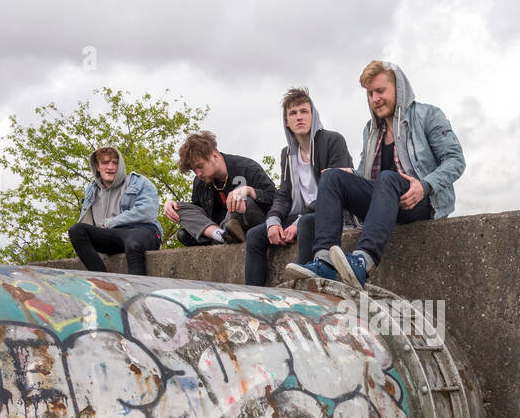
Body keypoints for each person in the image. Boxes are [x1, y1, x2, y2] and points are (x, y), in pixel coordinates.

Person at [288, 61, 464, 289]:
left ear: (398, 89)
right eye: (370, 94)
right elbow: (366, 177)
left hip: (421, 199)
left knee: (388, 177)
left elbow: (455, 160)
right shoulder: (371, 130)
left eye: (380, 91)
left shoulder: (427, 115)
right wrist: (350, 176)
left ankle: (364, 260)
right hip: (385, 202)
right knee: (332, 176)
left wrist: (425, 186)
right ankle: (324, 262)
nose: (375, 99)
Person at [245, 88, 353, 286]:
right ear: (287, 121)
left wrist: (297, 223)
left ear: (313, 115)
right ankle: (255, 294)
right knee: (254, 235)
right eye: (293, 113)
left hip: (333, 214)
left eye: (304, 111)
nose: (299, 117)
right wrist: (274, 221)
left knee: (305, 224)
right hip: (301, 215)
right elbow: (284, 194)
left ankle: (300, 289)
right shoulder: (287, 154)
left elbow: (337, 192)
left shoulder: (332, 141)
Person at [162, 132, 275, 246]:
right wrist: (171, 205)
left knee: (244, 201)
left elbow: (274, 198)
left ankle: (225, 234)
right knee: (178, 208)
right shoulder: (199, 182)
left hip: (250, 222)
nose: (198, 173)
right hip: (216, 227)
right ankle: (222, 235)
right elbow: (198, 212)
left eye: (200, 166)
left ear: (215, 156)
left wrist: (250, 191)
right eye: (194, 170)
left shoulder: (246, 167)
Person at [68, 146, 162, 276]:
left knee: (133, 243)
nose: (110, 167)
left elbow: (148, 212)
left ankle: (137, 292)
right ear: (97, 166)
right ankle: (104, 281)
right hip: (114, 237)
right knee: (76, 230)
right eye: (105, 163)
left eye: (115, 163)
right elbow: (89, 223)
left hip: (143, 231)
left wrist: (111, 222)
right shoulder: (92, 190)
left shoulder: (138, 182)